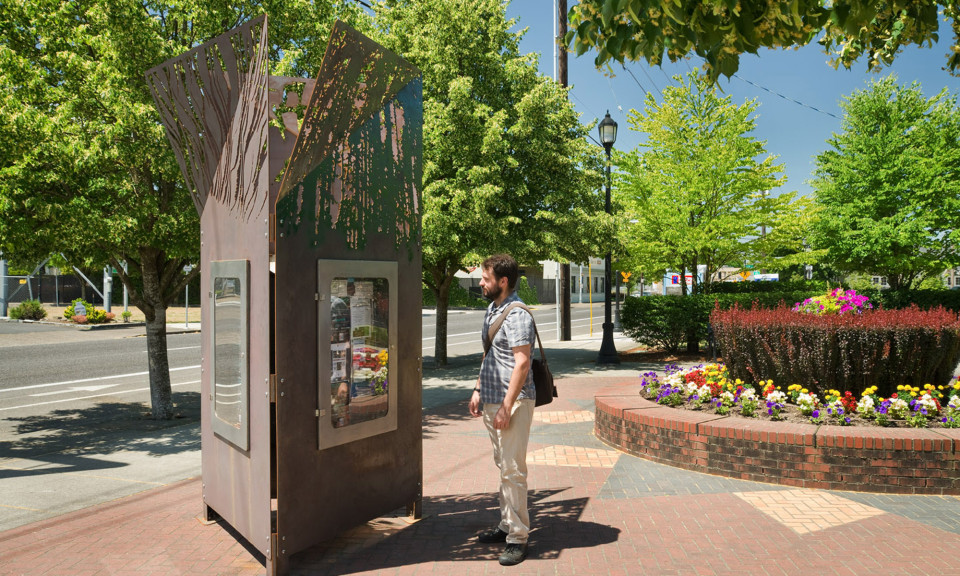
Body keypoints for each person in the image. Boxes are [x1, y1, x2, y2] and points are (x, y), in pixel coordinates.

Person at [468, 254, 536, 566]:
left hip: (513, 402)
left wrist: (506, 407)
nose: (481, 283)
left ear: (503, 281)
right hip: (493, 399)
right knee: (504, 466)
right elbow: (489, 354)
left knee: (513, 470)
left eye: (486, 278)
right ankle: (507, 524)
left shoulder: (517, 314)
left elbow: (522, 363)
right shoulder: (493, 309)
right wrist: (478, 389)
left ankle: (518, 539)